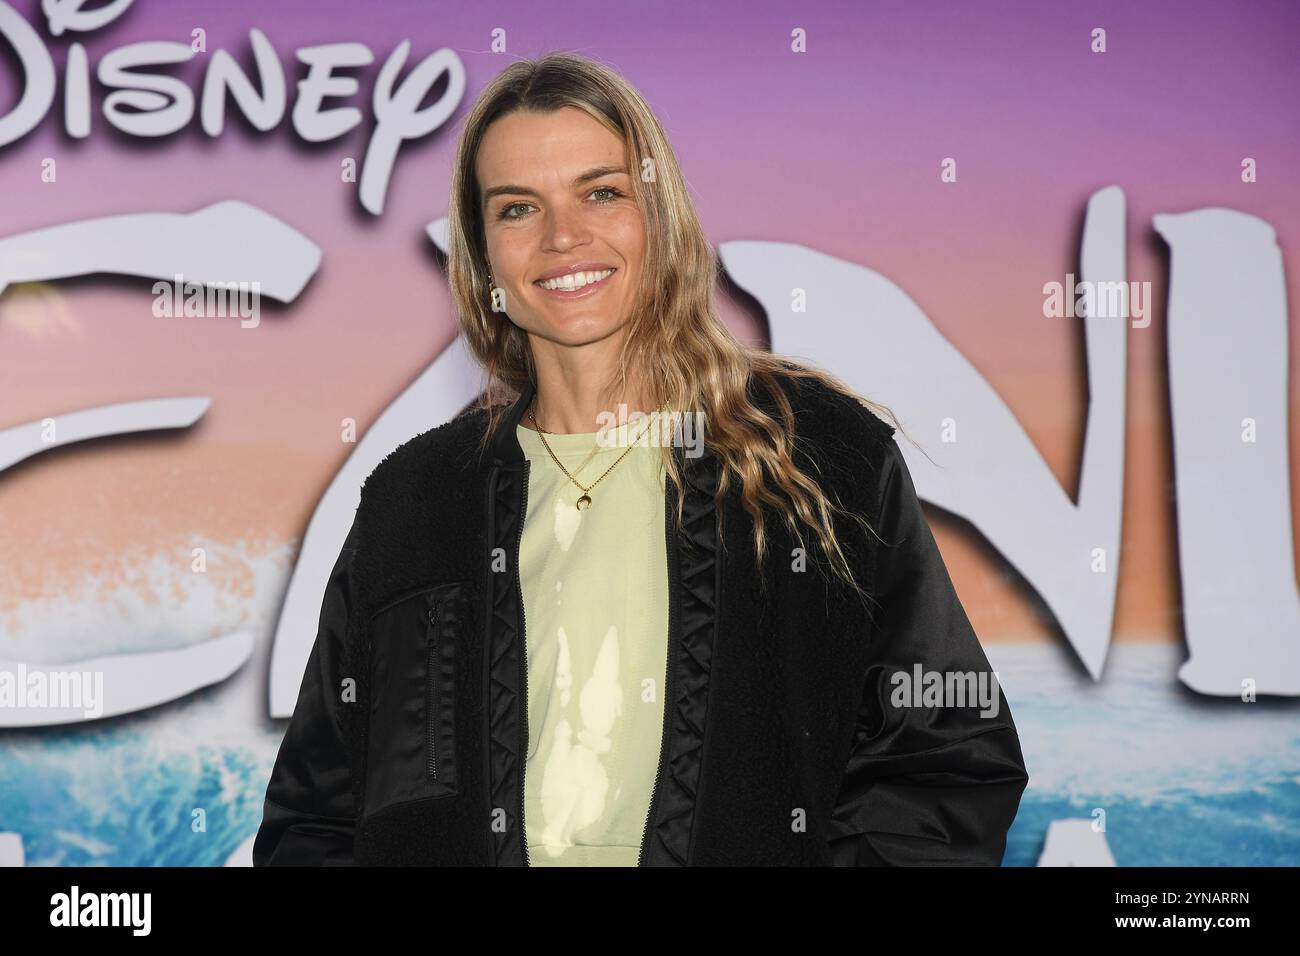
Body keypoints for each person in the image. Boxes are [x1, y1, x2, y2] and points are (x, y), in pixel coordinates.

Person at [253, 51, 1029, 867]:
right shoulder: (415, 499)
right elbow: (318, 812)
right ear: (484, 262)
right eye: (517, 208)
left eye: (602, 192)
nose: (563, 236)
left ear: (658, 218)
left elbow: (945, 758)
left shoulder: (818, 457)